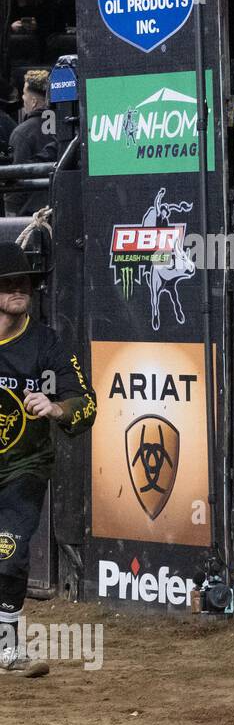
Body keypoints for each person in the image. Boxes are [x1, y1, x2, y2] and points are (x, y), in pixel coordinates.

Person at [0, 243, 97, 678]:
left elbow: (86, 401)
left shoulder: (46, 343)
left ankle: (7, 649)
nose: (20, 289)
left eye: (25, 282)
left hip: (24, 466)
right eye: (8, 283)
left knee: (8, 551)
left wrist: (56, 407)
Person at [5, 71, 58, 217]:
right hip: (61, 208)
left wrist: (11, 218)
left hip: (31, 216)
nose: (22, 98)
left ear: (34, 101)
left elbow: (15, 180)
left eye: (24, 93)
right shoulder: (69, 128)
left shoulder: (22, 133)